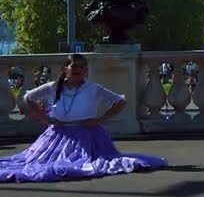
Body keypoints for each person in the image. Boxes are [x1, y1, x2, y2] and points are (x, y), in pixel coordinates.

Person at [1, 54, 166, 183]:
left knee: (88, 162)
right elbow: (28, 97)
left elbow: (120, 101)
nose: (77, 69)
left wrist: (99, 120)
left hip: (88, 134)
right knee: (38, 162)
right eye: (73, 66)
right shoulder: (52, 87)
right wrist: (45, 118)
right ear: (65, 68)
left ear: (86, 71)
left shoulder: (92, 88)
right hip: (58, 134)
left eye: (82, 67)